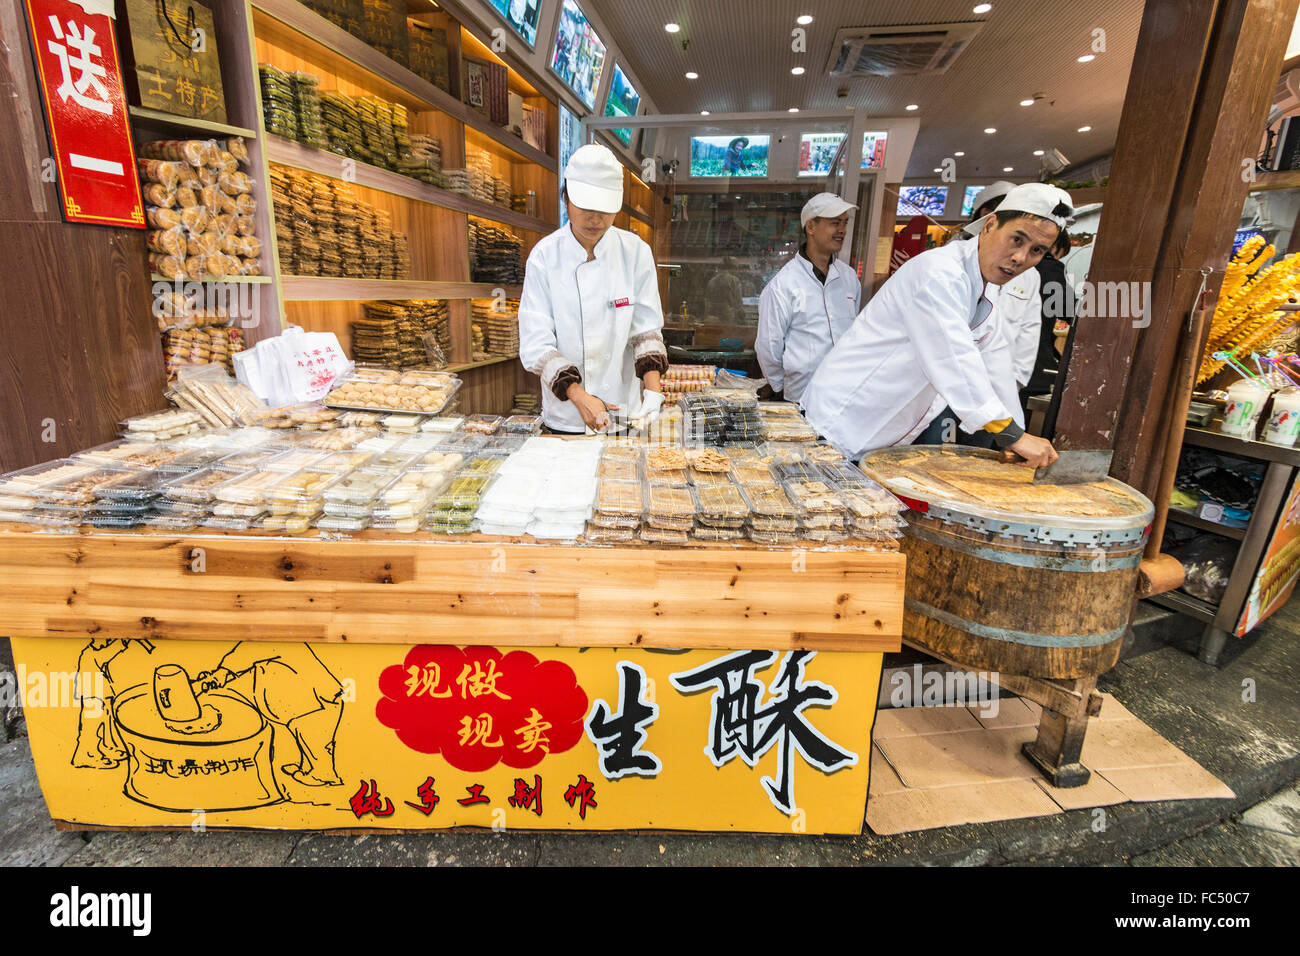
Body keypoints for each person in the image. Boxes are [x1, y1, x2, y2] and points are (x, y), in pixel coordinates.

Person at [800, 183, 1072, 466]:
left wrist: (1017, 429)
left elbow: (996, 363)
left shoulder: (985, 287)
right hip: (840, 422)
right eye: (1017, 240)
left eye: (1037, 250)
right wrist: (1011, 435)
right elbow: (953, 355)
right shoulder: (939, 272)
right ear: (990, 225)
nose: (1021, 258)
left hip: (880, 428)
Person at [519, 143, 668, 433]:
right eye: (586, 206)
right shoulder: (544, 256)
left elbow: (645, 330)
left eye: (605, 209)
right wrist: (579, 396)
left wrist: (653, 391)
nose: (596, 218)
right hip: (566, 418)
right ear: (566, 199)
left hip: (623, 414)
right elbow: (536, 342)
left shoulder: (635, 252)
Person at [756, 193, 861, 402]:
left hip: (843, 396)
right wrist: (780, 389)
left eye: (844, 223)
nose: (842, 230)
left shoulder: (849, 278)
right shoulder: (783, 285)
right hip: (801, 398)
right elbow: (768, 345)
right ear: (810, 227)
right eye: (834, 223)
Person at [1021, 228, 1076, 416]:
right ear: (1054, 245)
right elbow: (1070, 313)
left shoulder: (1012, 264)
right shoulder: (1051, 270)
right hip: (1032, 370)